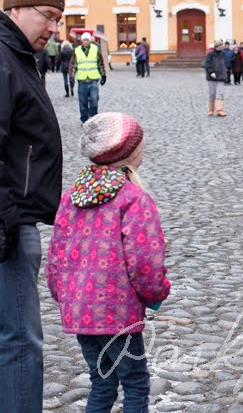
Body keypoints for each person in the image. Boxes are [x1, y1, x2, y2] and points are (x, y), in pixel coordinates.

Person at [47, 113, 170, 413]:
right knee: (136, 383)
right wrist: (156, 295)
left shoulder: (71, 198)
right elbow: (145, 263)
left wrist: (66, 298)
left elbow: (55, 259)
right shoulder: (133, 198)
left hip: (80, 312)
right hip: (118, 313)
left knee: (101, 382)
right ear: (129, 154)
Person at [0, 0, 65, 413]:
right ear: (17, 9)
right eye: (48, 16)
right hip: (10, 221)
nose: (54, 28)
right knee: (21, 341)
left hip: (16, 216)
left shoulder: (18, 56)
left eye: (59, 20)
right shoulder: (4, 61)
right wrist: (6, 217)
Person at [69, 32, 107, 123]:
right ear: (82, 41)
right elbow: (73, 65)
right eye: (84, 40)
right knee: (83, 102)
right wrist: (71, 77)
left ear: (90, 41)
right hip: (82, 81)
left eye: (87, 40)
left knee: (94, 101)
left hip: (93, 80)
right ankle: (84, 119)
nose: (85, 42)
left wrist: (103, 75)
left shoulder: (95, 50)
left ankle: (93, 119)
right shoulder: (77, 50)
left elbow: (100, 64)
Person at [204, 39, 228, 116]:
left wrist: (226, 72)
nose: (223, 46)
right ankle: (211, 110)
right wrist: (211, 72)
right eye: (221, 45)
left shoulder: (223, 54)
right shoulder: (210, 54)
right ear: (218, 46)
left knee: (220, 93)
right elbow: (207, 64)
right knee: (212, 94)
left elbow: (224, 64)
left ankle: (220, 110)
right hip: (212, 77)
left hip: (221, 76)